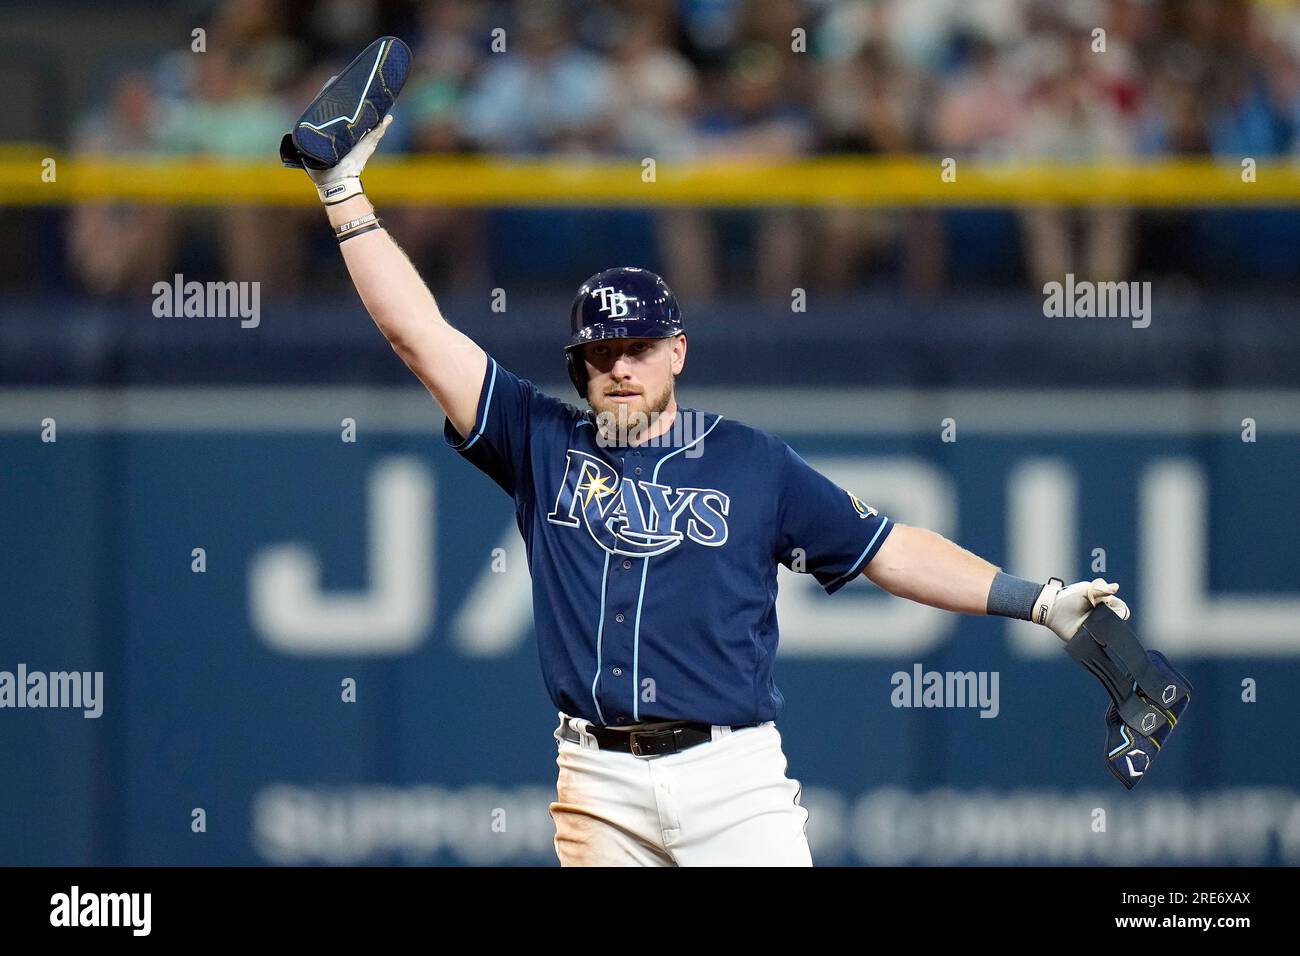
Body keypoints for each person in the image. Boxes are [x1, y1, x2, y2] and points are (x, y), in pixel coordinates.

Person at [293, 113, 1133, 867]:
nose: (620, 365)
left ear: (677, 354)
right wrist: (343, 192)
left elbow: (888, 548)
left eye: (640, 347)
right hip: (594, 775)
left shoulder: (749, 461)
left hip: (730, 776)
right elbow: (417, 334)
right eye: (601, 351)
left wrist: (1038, 598)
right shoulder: (539, 440)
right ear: (578, 366)